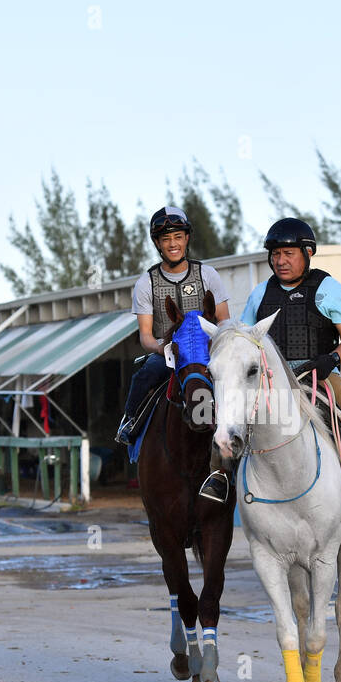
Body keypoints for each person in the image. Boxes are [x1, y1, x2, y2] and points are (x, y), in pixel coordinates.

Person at [232, 217, 341, 516]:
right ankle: (218, 478)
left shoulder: (328, 288)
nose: (280, 261)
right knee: (227, 414)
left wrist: (331, 359)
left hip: (319, 376)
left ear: (307, 254)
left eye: (288, 254)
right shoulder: (259, 294)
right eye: (275, 254)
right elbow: (246, 339)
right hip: (271, 380)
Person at [114, 205, 234, 501]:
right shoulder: (146, 283)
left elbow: (224, 320)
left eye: (178, 237)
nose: (172, 244)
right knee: (147, 373)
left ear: (186, 238)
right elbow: (145, 335)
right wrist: (162, 346)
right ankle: (130, 421)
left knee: (234, 383)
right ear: (157, 243)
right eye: (166, 239)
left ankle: (240, 434)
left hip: (206, 351)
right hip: (170, 351)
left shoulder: (208, 274)